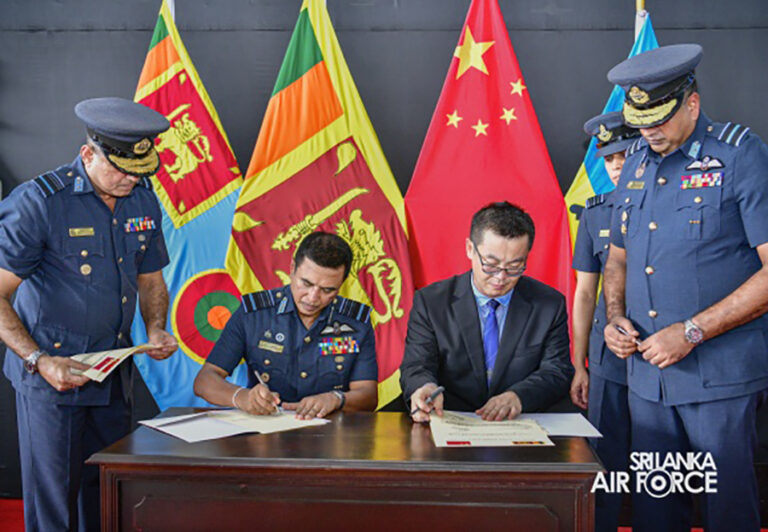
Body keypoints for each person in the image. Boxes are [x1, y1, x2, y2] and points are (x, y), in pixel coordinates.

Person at [602, 44, 768, 531]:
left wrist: (692, 331)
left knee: (727, 511)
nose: (648, 129)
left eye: (659, 118)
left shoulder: (741, 155)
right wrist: (614, 316)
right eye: (640, 119)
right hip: (649, 382)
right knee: (655, 511)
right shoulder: (634, 164)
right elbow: (617, 257)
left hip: (718, 376)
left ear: (691, 103)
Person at [0, 97, 178, 531]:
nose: (128, 181)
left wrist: (155, 328)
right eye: (119, 169)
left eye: (138, 172)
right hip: (53, 381)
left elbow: (151, 279)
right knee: (56, 508)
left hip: (113, 376)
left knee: (108, 500)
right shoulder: (39, 203)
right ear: (87, 154)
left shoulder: (142, 199)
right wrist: (38, 360)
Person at [400, 201, 573, 422]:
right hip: (450, 417)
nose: (501, 277)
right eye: (491, 264)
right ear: (470, 249)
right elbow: (417, 364)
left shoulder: (548, 304)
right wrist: (425, 387)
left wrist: (518, 396)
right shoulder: (432, 302)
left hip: (519, 421)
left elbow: (557, 370)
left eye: (514, 267)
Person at [194, 231, 378, 418]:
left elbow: (368, 396)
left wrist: (336, 399)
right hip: (265, 433)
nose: (312, 298)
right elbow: (205, 380)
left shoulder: (356, 322)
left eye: (327, 290)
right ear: (292, 268)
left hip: (330, 435)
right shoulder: (254, 314)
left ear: (341, 284)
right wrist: (242, 397)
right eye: (306, 283)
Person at [570, 111, 640, 532]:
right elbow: (584, 292)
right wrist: (580, 364)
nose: (616, 167)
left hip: (662, 350)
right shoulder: (596, 213)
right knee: (606, 457)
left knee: (662, 459)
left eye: (624, 155)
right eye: (608, 159)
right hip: (608, 358)